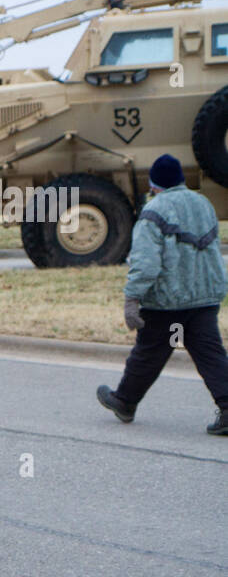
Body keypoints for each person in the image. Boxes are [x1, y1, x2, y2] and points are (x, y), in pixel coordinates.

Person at [96, 154, 228, 435]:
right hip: (204, 298)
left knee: (150, 352)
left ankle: (125, 401)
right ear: (180, 181)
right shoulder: (203, 204)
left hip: (168, 302)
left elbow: (146, 263)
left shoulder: (154, 211)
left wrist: (132, 298)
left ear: (154, 185)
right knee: (209, 353)